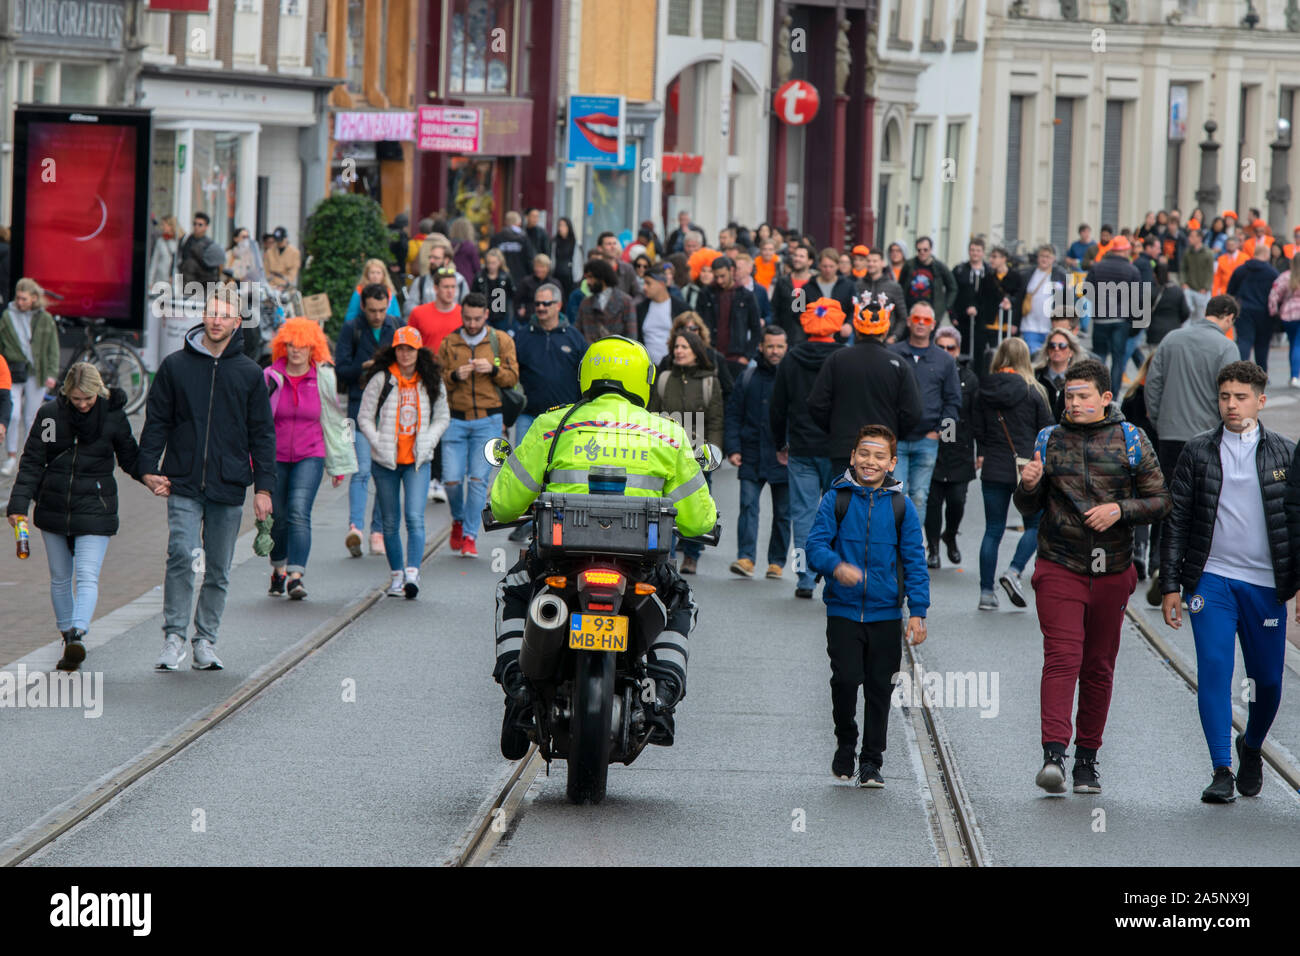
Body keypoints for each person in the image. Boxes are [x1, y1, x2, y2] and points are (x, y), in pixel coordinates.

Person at [488, 335, 717, 756]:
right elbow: (700, 520)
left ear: (586, 374)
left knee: (514, 589)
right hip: (639, 569)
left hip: (561, 563)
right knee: (679, 601)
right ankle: (661, 693)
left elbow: (503, 504)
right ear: (642, 379)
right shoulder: (667, 434)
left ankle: (518, 686)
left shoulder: (552, 425)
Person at [1014, 359, 1171, 794]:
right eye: (1069, 395)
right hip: (1058, 563)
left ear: (1105, 398)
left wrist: (1120, 510)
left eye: (1083, 395)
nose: (1074, 402)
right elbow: (1029, 509)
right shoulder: (1049, 439)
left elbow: (1161, 502)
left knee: (1098, 666)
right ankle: (1053, 757)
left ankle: (1087, 760)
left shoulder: (1132, 440)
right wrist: (1028, 486)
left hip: (1113, 568)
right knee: (1062, 658)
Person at [1162, 362, 1293, 803]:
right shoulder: (1198, 452)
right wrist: (1170, 585)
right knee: (1215, 672)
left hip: (1265, 587)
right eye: (1224, 397)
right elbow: (1176, 519)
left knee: (1268, 683)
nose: (1231, 405)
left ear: (1260, 400)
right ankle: (1220, 768)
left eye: (1240, 397)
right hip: (1212, 581)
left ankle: (1250, 746)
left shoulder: (1285, 454)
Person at [138, 289, 277, 671]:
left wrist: (264, 488)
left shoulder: (249, 373)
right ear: (204, 316)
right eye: (212, 312)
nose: (217, 320)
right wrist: (147, 467)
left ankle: (205, 640)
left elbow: (262, 434)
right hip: (182, 480)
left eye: (225, 315)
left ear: (237, 323)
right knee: (182, 554)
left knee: (218, 567)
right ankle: (173, 637)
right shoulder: (175, 366)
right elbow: (157, 421)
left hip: (229, 484)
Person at [805, 424, 929, 788]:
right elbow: (815, 547)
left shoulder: (901, 507)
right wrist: (835, 566)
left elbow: (915, 562)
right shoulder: (836, 499)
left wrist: (917, 611)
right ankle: (846, 739)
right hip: (843, 610)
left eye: (878, 456)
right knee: (845, 680)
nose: (869, 461)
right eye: (863, 454)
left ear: (891, 463)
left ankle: (872, 760)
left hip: (886, 613)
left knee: (880, 688)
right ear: (852, 457)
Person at [5, 363, 148, 671]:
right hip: (54, 504)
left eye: (88, 398)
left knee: (86, 574)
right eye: (76, 398)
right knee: (59, 577)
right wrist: (18, 505)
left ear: (99, 392)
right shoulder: (50, 416)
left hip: (95, 506)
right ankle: (68, 637)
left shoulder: (113, 417)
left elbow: (129, 458)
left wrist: (153, 477)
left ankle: (78, 632)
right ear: (66, 394)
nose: (82, 404)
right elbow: (33, 460)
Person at [1142, 293, 1240, 602]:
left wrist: (1160, 421)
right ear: (1227, 317)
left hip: (1170, 434)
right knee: (1202, 508)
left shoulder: (1172, 339)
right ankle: (1189, 580)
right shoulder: (1226, 346)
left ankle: (1158, 564)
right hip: (1208, 437)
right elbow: (1230, 395)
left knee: (1167, 501)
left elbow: (1152, 384)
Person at [262, 319, 358, 600]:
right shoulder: (270, 376)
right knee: (278, 517)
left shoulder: (324, 377)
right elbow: (256, 422)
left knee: (298, 511)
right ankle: (278, 569)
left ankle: (295, 576)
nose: (296, 351)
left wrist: (338, 463)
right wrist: (254, 460)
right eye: (291, 344)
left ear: (312, 348)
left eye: (302, 346)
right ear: (283, 346)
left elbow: (335, 418)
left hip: (311, 455)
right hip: (275, 457)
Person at [356, 326, 450, 597]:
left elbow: (443, 417)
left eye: (410, 348)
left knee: (414, 517)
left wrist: (429, 440)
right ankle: (396, 575)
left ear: (419, 350)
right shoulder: (382, 379)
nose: (405, 353)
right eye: (401, 348)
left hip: (417, 461)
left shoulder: (430, 380)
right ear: (394, 350)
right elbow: (363, 417)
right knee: (389, 521)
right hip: (385, 461)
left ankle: (412, 573)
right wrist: (377, 442)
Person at [972, 337, 1053, 611]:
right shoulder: (1034, 391)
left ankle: (986, 592)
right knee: (1036, 525)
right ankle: (1014, 570)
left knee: (993, 529)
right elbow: (1046, 431)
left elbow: (978, 429)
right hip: (1026, 469)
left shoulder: (984, 389)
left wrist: (982, 451)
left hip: (994, 466)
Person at [770, 299, 841, 599]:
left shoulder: (791, 358)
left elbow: (777, 406)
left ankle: (805, 577)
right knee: (839, 514)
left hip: (800, 446)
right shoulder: (843, 358)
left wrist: (779, 443)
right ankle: (836, 574)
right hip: (837, 446)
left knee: (803, 515)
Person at [438, 293, 518, 557]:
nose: (472, 324)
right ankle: (458, 519)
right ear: (461, 315)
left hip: (489, 419)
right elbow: (437, 381)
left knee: (477, 480)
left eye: (477, 318)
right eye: (467, 318)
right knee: (450, 480)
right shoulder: (450, 342)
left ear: (486, 314)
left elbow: (513, 377)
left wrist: (492, 370)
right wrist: (453, 375)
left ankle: (470, 535)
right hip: (455, 418)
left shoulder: (500, 340)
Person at [808, 290, 922, 475]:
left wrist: (835, 429)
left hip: (844, 447)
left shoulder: (837, 359)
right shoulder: (899, 365)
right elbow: (914, 412)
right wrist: (891, 434)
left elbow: (816, 404)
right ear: (886, 330)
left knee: (844, 502)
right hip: (881, 450)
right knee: (877, 503)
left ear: (855, 327)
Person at [649, 329, 725, 574]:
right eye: (676, 347)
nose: (678, 351)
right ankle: (667, 555)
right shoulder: (663, 378)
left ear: (696, 352)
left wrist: (712, 455)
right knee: (665, 507)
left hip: (698, 455)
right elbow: (651, 415)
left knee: (696, 505)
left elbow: (715, 421)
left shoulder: (709, 381)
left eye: (684, 347)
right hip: (666, 453)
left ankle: (692, 555)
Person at [725, 325, 790, 580]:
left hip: (783, 455)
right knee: (748, 506)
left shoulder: (792, 378)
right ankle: (746, 558)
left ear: (786, 348)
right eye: (770, 346)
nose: (774, 351)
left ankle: (776, 562)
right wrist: (733, 448)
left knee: (784, 514)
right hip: (751, 451)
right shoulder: (747, 377)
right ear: (761, 347)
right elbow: (733, 414)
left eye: (779, 346)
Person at [887, 302, 960, 516]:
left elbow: (953, 401)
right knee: (894, 495)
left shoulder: (945, 360)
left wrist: (940, 434)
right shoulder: (892, 354)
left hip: (927, 439)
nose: (920, 323)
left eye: (926, 320)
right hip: (895, 439)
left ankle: (913, 548)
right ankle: (894, 547)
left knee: (920, 496)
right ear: (908, 322)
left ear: (933, 325)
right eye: (917, 318)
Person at [926, 327, 979, 569]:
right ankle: (933, 547)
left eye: (951, 348)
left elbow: (979, 416)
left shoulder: (970, 378)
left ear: (958, 350)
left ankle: (951, 534)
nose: (947, 352)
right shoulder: (926, 372)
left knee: (957, 500)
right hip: (933, 446)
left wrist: (983, 450)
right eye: (941, 347)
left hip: (961, 447)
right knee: (932, 502)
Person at [0, 278, 59, 477]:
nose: (20, 302)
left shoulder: (45, 319)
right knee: (12, 414)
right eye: (18, 298)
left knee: (32, 417)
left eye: (24, 298)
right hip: (13, 371)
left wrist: (52, 373)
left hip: (37, 372)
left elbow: (53, 348)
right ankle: (10, 456)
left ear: (34, 299)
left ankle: (28, 458)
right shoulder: (7, 316)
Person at [1083, 234, 1143, 390]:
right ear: (1125, 251)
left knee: (1099, 358)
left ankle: (1097, 391)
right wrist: (1134, 323)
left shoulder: (1097, 267)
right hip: (1120, 320)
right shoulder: (1132, 270)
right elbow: (1138, 299)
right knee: (1118, 359)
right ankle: (1114, 396)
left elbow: (1086, 291)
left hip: (1100, 319)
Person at [696, 255, 763, 380]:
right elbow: (698, 324)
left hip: (736, 357)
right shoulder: (706, 294)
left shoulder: (746, 296)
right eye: (716, 277)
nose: (719, 280)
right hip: (711, 355)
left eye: (722, 276)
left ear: (731, 270)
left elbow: (756, 330)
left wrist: (746, 357)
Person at [1226, 241, 1280, 369]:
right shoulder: (1272, 273)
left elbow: (1230, 291)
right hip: (1264, 312)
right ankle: (1261, 373)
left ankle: (1240, 370)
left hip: (1243, 310)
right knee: (1262, 344)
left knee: (1244, 341)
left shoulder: (1240, 270)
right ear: (1267, 255)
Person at [974, 246, 1023, 378]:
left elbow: (1019, 300)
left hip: (1006, 324)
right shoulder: (988, 278)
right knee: (988, 355)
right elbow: (981, 300)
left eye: (995, 257)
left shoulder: (1015, 277)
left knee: (1006, 354)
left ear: (1004, 259)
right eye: (991, 257)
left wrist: (1014, 322)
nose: (992, 260)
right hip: (989, 323)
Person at [575, 257, 636, 344]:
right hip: (591, 355)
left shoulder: (626, 302)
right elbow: (577, 334)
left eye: (591, 277)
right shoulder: (585, 303)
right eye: (586, 277)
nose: (587, 282)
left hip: (617, 355)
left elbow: (632, 338)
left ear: (602, 277)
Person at [636, 263, 687, 365]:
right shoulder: (640, 309)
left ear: (661, 284)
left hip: (673, 367)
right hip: (646, 367)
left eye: (648, 283)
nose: (644, 287)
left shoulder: (681, 308)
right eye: (643, 283)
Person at [1019, 244, 1066, 354]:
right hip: (1030, 326)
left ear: (1053, 259)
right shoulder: (1028, 274)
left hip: (1050, 327)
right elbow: (1019, 297)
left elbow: (1067, 300)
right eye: (1042, 256)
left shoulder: (1060, 275)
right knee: (1032, 355)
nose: (1044, 259)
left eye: (1047, 256)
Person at [898, 236, 956, 320]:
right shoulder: (909, 265)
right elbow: (900, 286)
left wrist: (945, 306)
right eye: (919, 250)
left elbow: (953, 287)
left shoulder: (940, 267)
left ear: (931, 250)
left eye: (925, 250)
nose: (922, 252)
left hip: (932, 313)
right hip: (910, 312)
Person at [1033, 328, 1085, 420]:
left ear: (1071, 352)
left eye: (1062, 345)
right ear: (1047, 350)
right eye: (1052, 345)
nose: (1056, 349)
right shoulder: (1035, 376)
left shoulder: (1080, 378)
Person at [949, 239, 988, 360]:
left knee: (980, 352)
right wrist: (953, 315)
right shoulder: (959, 270)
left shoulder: (989, 272)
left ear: (983, 252)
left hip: (982, 320)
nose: (975, 253)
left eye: (978, 250)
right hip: (962, 319)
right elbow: (952, 292)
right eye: (972, 250)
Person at [771, 243, 816, 342]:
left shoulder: (815, 284)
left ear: (810, 261)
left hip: (809, 338)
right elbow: (774, 309)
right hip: (785, 337)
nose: (797, 259)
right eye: (795, 255)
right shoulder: (783, 281)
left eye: (801, 256)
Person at [1267, 259, 1300, 387]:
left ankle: (1294, 375)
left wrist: (1273, 311)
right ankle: (1295, 376)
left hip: (1289, 314)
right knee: (1297, 344)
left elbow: (1274, 294)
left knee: (1293, 344)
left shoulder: (1286, 276)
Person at [345, 259, 403, 324]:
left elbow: (396, 316)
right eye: (372, 273)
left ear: (383, 275)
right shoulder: (359, 292)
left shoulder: (390, 293)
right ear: (367, 275)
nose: (375, 276)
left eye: (378, 273)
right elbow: (351, 316)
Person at [1148, 261, 1190, 347]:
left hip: (1155, 332)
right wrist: (1177, 321)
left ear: (1154, 275)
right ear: (1168, 274)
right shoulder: (1177, 291)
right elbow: (1186, 312)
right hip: (1174, 331)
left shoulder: (1150, 291)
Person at [178, 212, 224, 288]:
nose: (196, 227)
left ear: (206, 227)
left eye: (200, 224)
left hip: (203, 286)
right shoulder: (185, 240)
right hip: (186, 284)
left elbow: (216, 267)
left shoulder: (210, 244)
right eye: (194, 224)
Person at [488, 211, 536, 283]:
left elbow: (490, 257)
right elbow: (530, 260)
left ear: (505, 222)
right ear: (519, 223)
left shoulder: (496, 238)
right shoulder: (524, 239)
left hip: (500, 278)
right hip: (520, 278)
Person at [1181, 226, 1215, 321]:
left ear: (1199, 238)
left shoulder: (1208, 253)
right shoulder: (1188, 252)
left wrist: (1205, 287)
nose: (1189, 238)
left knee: (1200, 317)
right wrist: (1183, 283)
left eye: (1192, 236)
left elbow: (1210, 272)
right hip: (1189, 288)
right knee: (1188, 315)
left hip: (1202, 290)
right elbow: (1183, 268)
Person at [732, 252, 772, 324]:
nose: (735, 272)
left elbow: (768, 314)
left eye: (738, 269)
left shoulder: (760, 290)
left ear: (749, 269)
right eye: (734, 269)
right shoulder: (730, 289)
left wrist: (763, 321)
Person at [551, 216, 581, 301]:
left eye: (564, 225)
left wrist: (576, 280)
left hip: (570, 278)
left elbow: (578, 262)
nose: (561, 228)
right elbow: (552, 258)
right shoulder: (554, 242)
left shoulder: (575, 243)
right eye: (559, 225)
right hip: (556, 275)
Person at [149, 215, 183, 288]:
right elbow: (154, 262)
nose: (162, 227)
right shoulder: (160, 241)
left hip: (174, 280)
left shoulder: (179, 241)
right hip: (159, 280)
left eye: (164, 225)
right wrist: (150, 281)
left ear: (171, 226)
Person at [264, 226, 301, 291]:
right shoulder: (269, 252)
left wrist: (284, 284)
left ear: (286, 238)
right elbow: (265, 270)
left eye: (281, 240)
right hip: (270, 284)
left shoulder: (294, 252)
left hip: (285, 284)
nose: (279, 243)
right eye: (277, 240)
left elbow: (293, 272)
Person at [449, 217, 481, 287]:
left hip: (450, 278)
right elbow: (477, 267)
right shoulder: (470, 246)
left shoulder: (448, 245)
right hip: (467, 280)